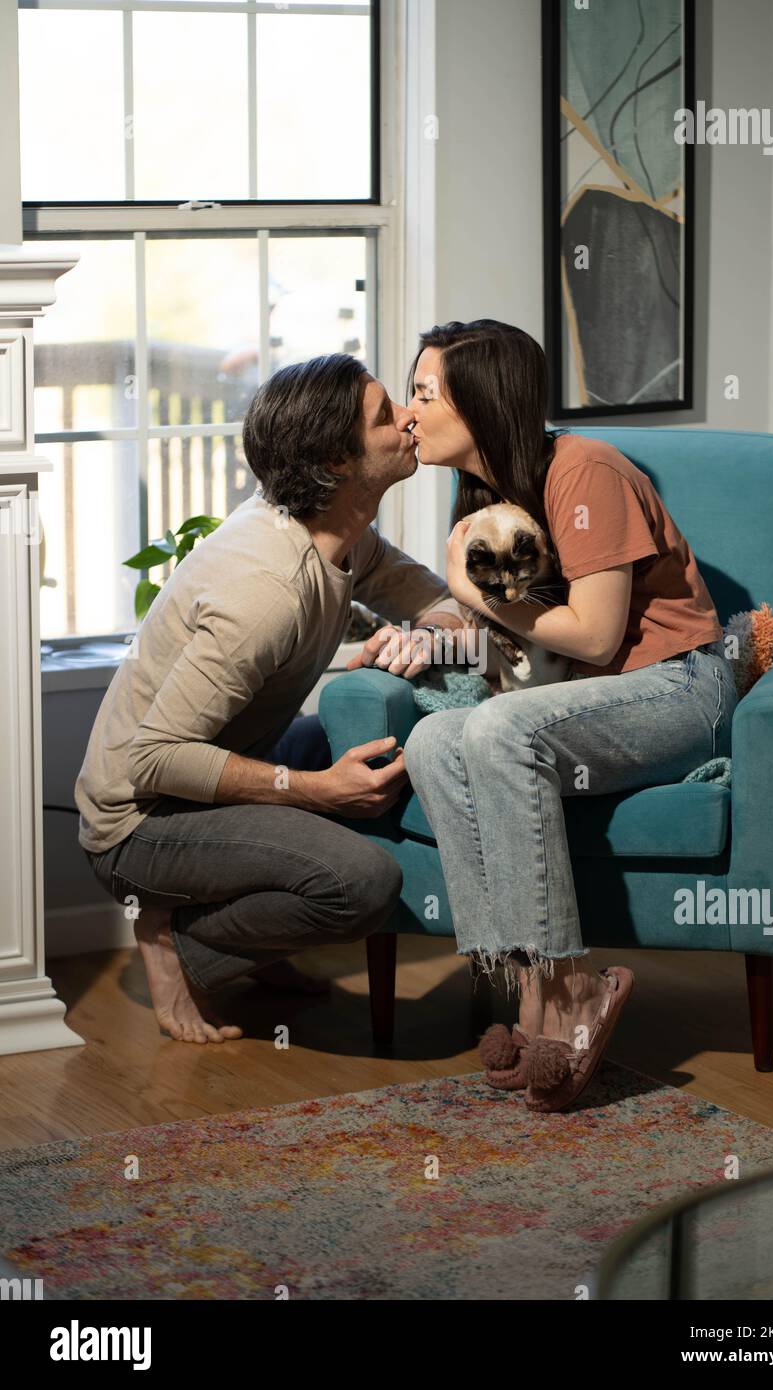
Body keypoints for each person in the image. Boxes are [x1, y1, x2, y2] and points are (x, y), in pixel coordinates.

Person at [368, 318, 739, 1113]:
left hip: (676, 688)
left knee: (501, 728)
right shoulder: (488, 495)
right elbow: (514, 633)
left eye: (424, 394)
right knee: (435, 736)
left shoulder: (586, 472)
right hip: (586, 699)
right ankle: (524, 985)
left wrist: (470, 592)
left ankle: (573, 988)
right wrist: (426, 643)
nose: (408, 412)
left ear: (482, 402)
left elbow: (599, 639)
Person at [75, 353, 466, 1044]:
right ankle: (179, 943)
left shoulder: (343, 536)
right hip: (138, 823)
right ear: (335, 463)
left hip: (219, 765)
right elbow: (155, 760)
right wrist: (317, 791)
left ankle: (256, 940)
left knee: (373, 747)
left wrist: (428, 638)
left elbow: (441, 602)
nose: (410, 416)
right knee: (365, 882)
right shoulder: (265, 591)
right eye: (386, 415)